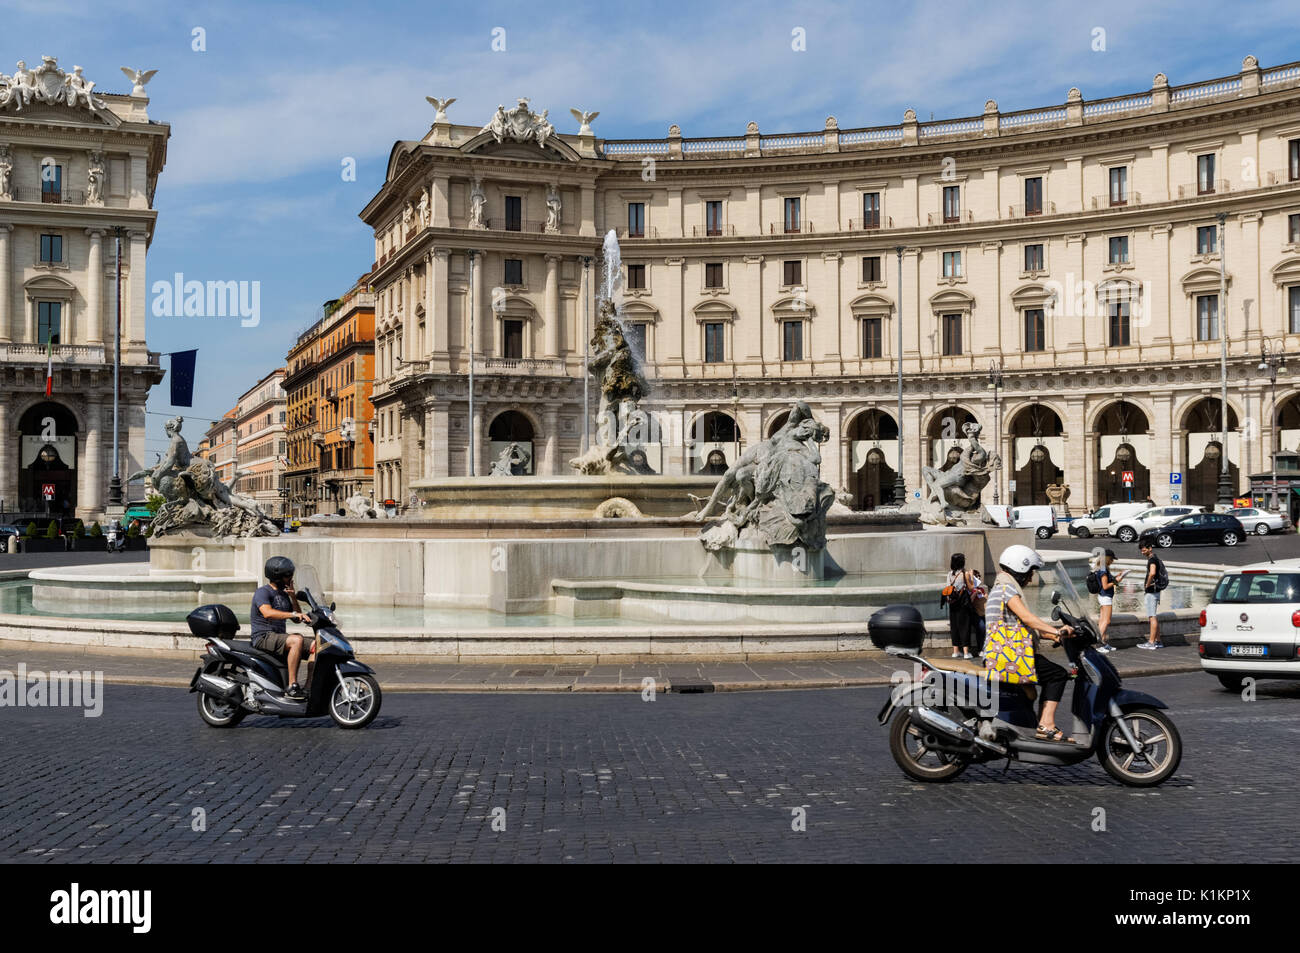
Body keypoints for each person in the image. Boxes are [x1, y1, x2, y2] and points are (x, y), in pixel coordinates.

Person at [984, 544, 1075, 741]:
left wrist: (1053, 636)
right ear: (1019, 569)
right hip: (1007, 656)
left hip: (1005, 653)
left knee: (1032, 690)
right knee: (1057, 675)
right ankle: (1046, 724)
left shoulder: (1002, 586)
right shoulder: (1006, 589)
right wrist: (1056, 630)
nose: (1031, 578)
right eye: (1030, 573)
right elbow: (1027, 619)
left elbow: (1021, 628)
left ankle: (1029, 725)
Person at [250, 555, 311, 698]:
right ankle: (292, 686)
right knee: (297, 640)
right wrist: (293, 615)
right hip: (263, 636)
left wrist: (293, 597)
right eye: (288, 576)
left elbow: (297, 618)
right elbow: (267, 613)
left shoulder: (284, 594)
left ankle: (308, 687)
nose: (291, 578)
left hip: (278, 637)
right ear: (278, 577)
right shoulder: (263, 592)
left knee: (316, 645)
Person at [1093, 549, 1127, 654]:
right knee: (1106, 621)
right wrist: (1117, 581)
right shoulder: (1103, 570)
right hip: (1106, 597)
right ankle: (1098, 644)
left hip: (1103, 596)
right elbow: (1105, 585)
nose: (1113, 561)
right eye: (1112, 559)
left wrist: (1118, 575)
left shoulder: (1102, 568)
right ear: (1107, 559)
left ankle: (1103, 643)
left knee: (1102, 621)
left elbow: (1108, 581)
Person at [944, 553, 977, 659]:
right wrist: (971, 575)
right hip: (963, 603)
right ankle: (966, 652)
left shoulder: (949, 574)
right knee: (964, 626)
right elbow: (971, 587)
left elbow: (948, 587)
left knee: (954, 626)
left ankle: (955, 651)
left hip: (953, 603)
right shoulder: (965, 574)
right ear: (962, 562)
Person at [1136, 537, 1166, 650]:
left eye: (1144, 550)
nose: (1142, 552)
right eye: (1141, 550)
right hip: (1156, 591)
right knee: (1154, 616)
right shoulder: (1156, 558)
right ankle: (1158, 641)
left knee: (1152, 617)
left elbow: (1152, 573)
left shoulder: (1151, 560)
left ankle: (1151, 642)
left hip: (1151, 592)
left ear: (1150, 548)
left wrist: (1147, 585)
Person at [970, 568, 988, 656]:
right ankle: (980, 649)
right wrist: (975, 593)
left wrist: (985, 596)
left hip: (983, 612)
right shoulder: (970, 589)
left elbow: (985, 600)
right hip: (974, 613)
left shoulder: (982, 589)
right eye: (976, 577)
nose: (978, 579)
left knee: (986, 627)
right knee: (981, 627)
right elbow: (970, 601)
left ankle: (986, 647)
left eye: (978, 577)